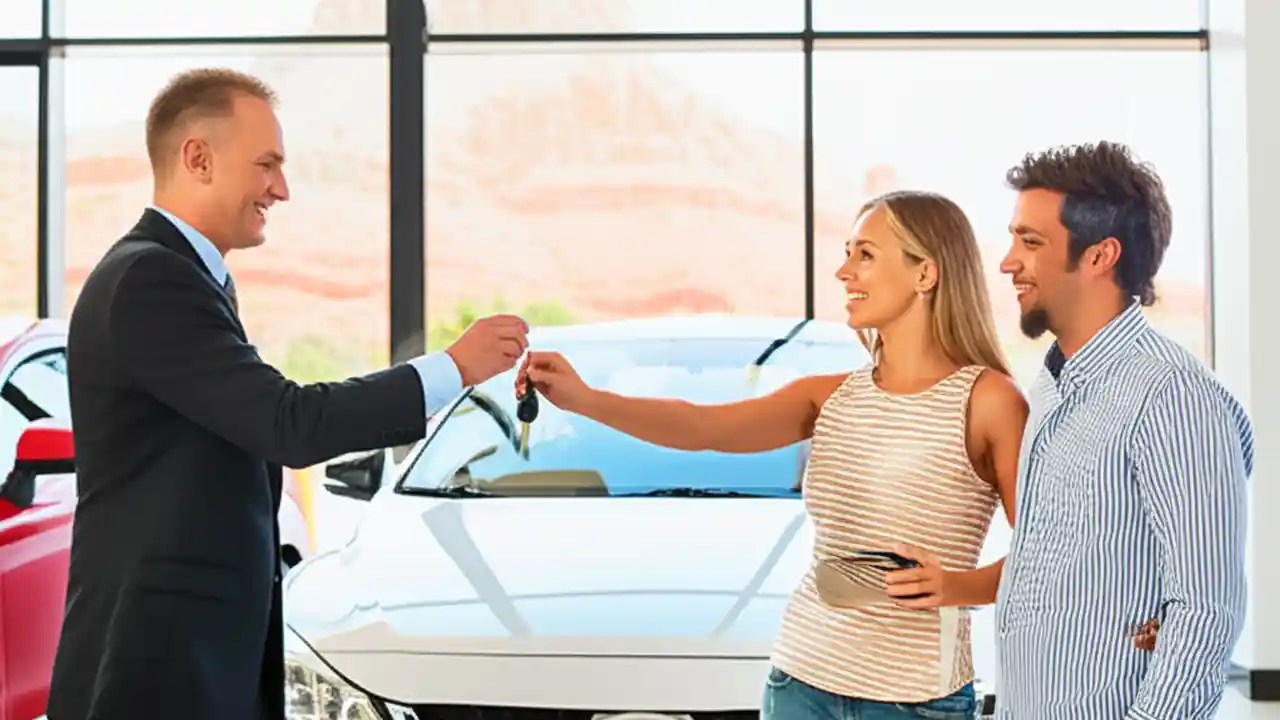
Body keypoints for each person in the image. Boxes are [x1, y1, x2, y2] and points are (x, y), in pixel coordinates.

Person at [45, 68, 528, 720]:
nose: (283, 188)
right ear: (199, 159)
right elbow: (290, 423)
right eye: (267, 164)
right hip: (159, 660)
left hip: (190, 649)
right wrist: (451, 368)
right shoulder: (151, 280)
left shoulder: (185, 275)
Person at [517, 190, 1029, 718]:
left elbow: (1046, 558)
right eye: (847, 252)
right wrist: (585, 399)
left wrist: (959, 586)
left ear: (925, 273)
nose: (843, 272)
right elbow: (702, 427)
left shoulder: (989, 402)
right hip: (801, 682)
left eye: (866, 255)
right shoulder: (828, 396)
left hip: (916, 700)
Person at [993, 141, 1254, 719]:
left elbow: (1206, 609)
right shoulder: (1055, 383)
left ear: (1100, 255)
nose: (1008, 261)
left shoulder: (1172, 397)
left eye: (1030, 242)